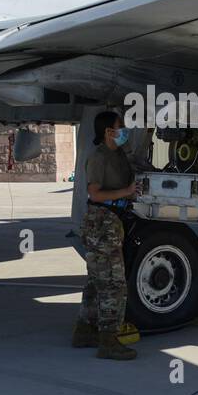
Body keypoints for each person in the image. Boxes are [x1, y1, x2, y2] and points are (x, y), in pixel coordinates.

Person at [73, 110, 139, 361]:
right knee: (114, 284)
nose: (124, 130)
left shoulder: (118, 154)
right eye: (119, 126)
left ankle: (84, 331)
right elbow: (95, 194)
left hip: (112, 220)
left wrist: (129, 193)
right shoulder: (98, 157)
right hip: (102, 222)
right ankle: (108, 341)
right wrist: (126, 191)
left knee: (95, 282)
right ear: (108, 132)